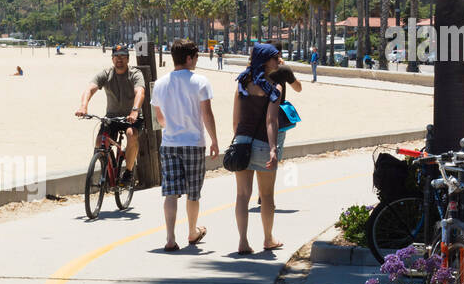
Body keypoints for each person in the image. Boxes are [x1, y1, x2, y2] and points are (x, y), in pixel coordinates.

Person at [232, 43, 301, 255]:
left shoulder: (242, 82)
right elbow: (271, 121)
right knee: (267, 195)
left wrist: (237, 140)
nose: (277, 61)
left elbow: (235, 119)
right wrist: (273, 149)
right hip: (263, 144)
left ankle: (243, 242)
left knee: (242, 195)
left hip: (241, 142)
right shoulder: (275, 87)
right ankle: (268, 239)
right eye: (274, 58)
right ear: (265, 60)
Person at [150, 39, 219, 251]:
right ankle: (191, 231)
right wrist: (215, 140)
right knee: (193, 192)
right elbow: (206, 114)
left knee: (170, 192)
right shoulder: (200, 81)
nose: (197, 61)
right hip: (193, 143)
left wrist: (171, 124)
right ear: (189, 58)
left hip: (169, 143)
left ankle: (170, 238)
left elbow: (159, 118)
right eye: (196, 57)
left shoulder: (160, 83)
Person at [75, 43, 145, 185]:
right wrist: (83, 106)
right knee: (100, 139)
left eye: (123, 57)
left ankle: (129, 172)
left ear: (128, 59)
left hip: (132, 117)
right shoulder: (106, 74)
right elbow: (90, 89)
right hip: (112, 117)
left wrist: (135, 110)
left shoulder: (135, 73)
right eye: (116, 57)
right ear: (112, 59)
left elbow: (140, 92)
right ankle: (105, 164)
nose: (120, 59)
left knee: (131, 134)